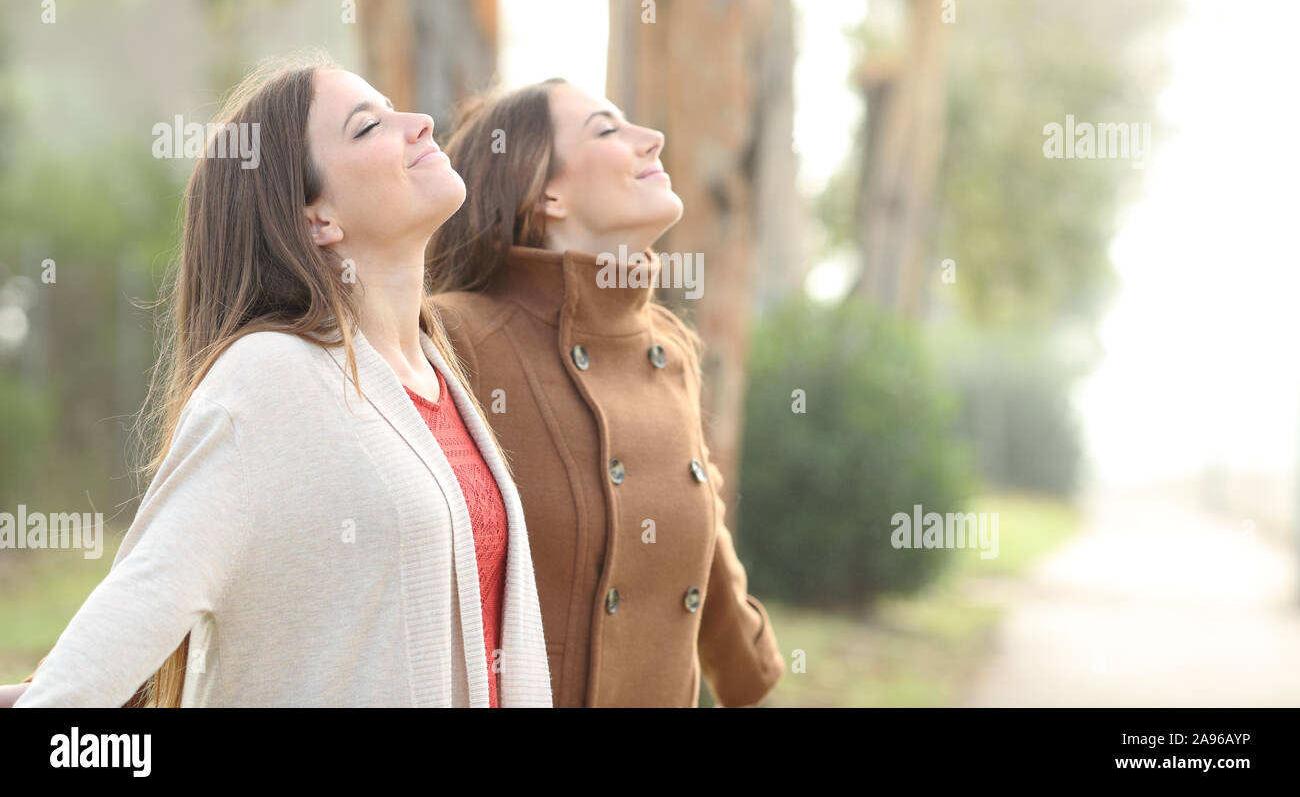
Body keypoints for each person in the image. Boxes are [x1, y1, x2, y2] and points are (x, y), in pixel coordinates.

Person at [6, 52, 551, 707]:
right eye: (368, 126)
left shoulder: (439, 376)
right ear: (316, 218)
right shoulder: (269, 379)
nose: (421, 124)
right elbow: (127, 620)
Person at [424, 78, 785, 707]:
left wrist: (750, 667)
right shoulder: (453, 336)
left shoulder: (669, 351)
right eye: (608, 129)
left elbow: (702, 525)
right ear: (545, 192)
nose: (654, 140)